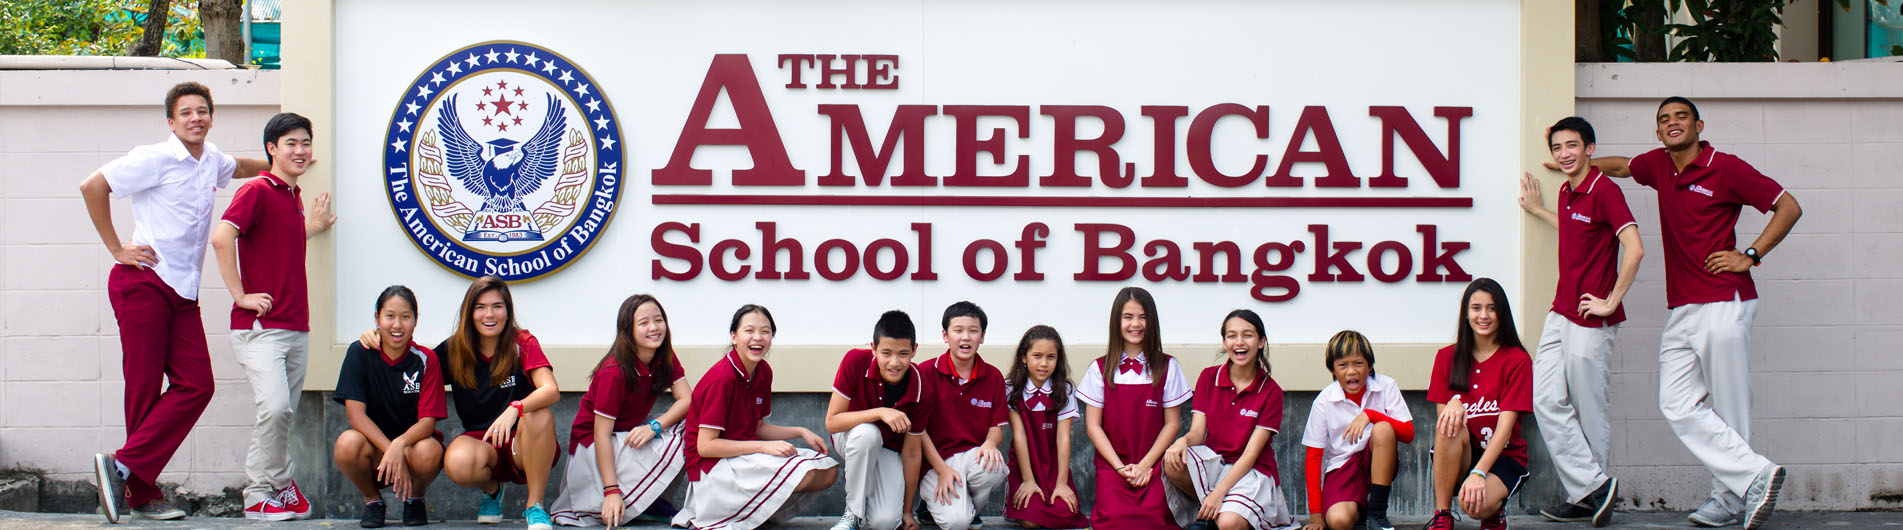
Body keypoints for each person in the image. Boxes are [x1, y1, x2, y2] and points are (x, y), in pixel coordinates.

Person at [1568, 96, 1801, 530]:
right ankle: (1753, 475)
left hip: (1724, 300)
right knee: (1675, 401)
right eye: (1664, 120)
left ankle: (1729, 497)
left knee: (1731, 406)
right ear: (1658, 134)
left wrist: (1749, 254)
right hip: (1683, 307)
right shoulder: (1658, 165)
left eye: (1681, 117)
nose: (1673, 123)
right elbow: (1621, 166)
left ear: (1698, 125)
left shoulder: (1726, 167)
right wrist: (1576, 163)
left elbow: (1788, 206)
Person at [83, 81, 271, 522]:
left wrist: (282, 163)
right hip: (143, 282)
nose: (195, 118)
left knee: (197, 385)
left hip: (182, 292)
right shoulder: (155, 158)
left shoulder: (210, 160)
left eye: (202, 111)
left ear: (211, 116)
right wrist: (116, 248)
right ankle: (141, 496)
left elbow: (239, 165)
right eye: (186, 113)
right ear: (172, 121)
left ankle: (122, 466)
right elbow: (93, 186)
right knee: (144, 389)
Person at [209, 111, 337, 521]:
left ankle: (280, 487)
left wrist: (312, 227)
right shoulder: (258, 190)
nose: (300, 152)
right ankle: (260, 493)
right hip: (259, 329)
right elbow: (221, 237)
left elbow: (281, 241)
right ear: (271, 150)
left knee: (282, 414)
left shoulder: (290, 195)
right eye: (290, 144)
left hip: (297, 326)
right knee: (276, 409)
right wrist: (240, 294)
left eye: (305, 143)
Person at [359, 276, 562, 529]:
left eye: (497, 306)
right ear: (469, 313)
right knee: (456, 461)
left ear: (508, 312)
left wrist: (515, 408)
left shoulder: (522, 343)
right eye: (480, 307)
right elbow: (412, 369)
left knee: (538, 414)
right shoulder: (455, 349)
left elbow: (550, 390)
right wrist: (380, 337)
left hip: (522, 442)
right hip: (481, 442)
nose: (489, 314)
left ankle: (535, 506)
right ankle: (492, 491)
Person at [1518, 116, 1641, 527]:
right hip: (1561, 311)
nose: (1564, 154)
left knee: (1590, 409)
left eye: (1572, 146)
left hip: (1591, 317)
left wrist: (1611, 301)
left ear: (1591, 148)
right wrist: (1538, 210)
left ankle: (1588, 493)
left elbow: (1635, 249)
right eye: (1557, 148)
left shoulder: (1605, 190)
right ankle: (1594, 487)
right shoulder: (1570, 192)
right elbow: (1573, 229)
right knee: (1545, 399)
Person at [672, 305, 840, 530]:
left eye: (765, 331)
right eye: (749, 331)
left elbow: (758, 426)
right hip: (715, 468)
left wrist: (801, 431)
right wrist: (763, 448)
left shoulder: (762, 372)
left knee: (827, 471)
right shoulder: (723, 378)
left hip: (745, 456)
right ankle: (739, 514)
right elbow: (705, 446)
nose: (758, 337)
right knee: (807, 472)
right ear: (734, 337)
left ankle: (753, 515)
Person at [550, 295, 690, 527]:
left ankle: (652, 501)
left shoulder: (663, 356)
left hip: (628, 435)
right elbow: (600, 434)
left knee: (694, 426)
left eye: (659, 320)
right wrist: (611, 491)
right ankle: (633, 498)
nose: (654, 328)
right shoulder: (614, 372)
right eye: (644, 323)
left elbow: (687, 400)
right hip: (593, 447)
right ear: (628, 330)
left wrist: (655, 427)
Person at [1162, 310, 1296, 530]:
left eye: (1248, 335)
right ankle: (1214, 511)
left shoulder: (1271, 391)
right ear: (1224, 343)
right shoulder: (1208, 377)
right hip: (1216, 463)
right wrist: (1181, 442)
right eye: (1232, 336)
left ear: (1261, 341)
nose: (1239, 342)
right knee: (1173, 462)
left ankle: (1219, 514)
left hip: (1251, 471)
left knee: (1229, 523)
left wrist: (1219, 493)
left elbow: (1250, 455)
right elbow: (1197, 433)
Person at [1424, 279, 1535, 530]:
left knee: (1474, 506)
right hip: (1461, 454)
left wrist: (1479, 473)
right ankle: (1442, 514)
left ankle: (1494, 512)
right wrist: (1453, 403)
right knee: (1448, 424)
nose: (1483, 315)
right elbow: (1444, 425)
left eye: (1492, 308)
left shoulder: (1518, 360)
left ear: (1502, 313)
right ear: (1466, 313)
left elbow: (1505, 428)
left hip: (1504, 457)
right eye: (1476, 308)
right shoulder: (1446, 357)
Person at [333, 286, 447, 528]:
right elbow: (356, 416)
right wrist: (389, 450)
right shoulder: (359, 352)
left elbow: (427, 423)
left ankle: (414, 498)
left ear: (415, 321)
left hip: (411, 447)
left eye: (405, 317)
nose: (397, 324)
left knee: (430, 451)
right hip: (373, 449)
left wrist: (399, 446)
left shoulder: (426, 359)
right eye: (390, 316)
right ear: (377, 318)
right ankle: (373, 501)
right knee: (346, 443)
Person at [1080, 287, 1191, 530]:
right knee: (1115, 519)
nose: (1136, 324)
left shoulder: (1167, 367)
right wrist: (1120, 467)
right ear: (1116, 321)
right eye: (1128, 317)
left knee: (1154, 519)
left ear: (1152, 321)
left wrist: (1145, 466)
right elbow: (1092, 427)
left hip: (1154, 465)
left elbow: (1172, 424)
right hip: (1112, 466)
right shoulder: (1099, 369)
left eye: (1142, 317)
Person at [826, 311, 932, 530]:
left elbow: (912, 453)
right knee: (867, 434)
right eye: (886, 353)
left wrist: (907, 511)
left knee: (885, 523)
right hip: (850, 436)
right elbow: (832, 422)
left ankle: (867, 512)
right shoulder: (855, 360)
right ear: (873, 349)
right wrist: (879, 412)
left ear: (914, 350)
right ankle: (853, 514)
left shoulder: (921, 385)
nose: (894, 362)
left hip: (889, 449)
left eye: (903, 354)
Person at [1301, 331, 1413, 530]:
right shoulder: (1324, 401)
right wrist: (1316, 515)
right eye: (1343, 365)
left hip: (1377, 461)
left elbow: (1408, 433)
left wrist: (1372, 415)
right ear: (1333, 370)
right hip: (1342, 467)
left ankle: (1377, 512)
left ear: (1369, 366)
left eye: (1358, 363)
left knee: (1384, 429)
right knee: (1338, 521)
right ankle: (1361, 512)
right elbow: (1313, 457)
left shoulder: (1386, 386)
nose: (1351, 371)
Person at [915, 302, 1009, 530]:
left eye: (973, 331)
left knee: (994, 468)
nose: (965, 337)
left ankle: (963, 508)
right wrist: (942, 469)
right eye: (958, 330)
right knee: (958, 523)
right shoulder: (925, 373)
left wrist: (989, 443)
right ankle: (932, 508)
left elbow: (996, 428)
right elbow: (919, 432)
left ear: (983, 336)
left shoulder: (994, 376)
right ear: (945, 336)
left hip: (971, 458)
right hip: (934, 462)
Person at [1001, 325, 1089, 530]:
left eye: (1051, 357)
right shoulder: (1011, 388)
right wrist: (1028, 480)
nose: (1044, 363)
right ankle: (1012, 497)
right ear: (1024, 357)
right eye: (1037, 356)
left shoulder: (1064, 390)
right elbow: (1020, 435)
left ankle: (1056, 490)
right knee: (1031, 521)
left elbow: (1063, 439)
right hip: (1025, 466)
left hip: (1054, 467)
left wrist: (1061, 483)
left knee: (1065, 515)